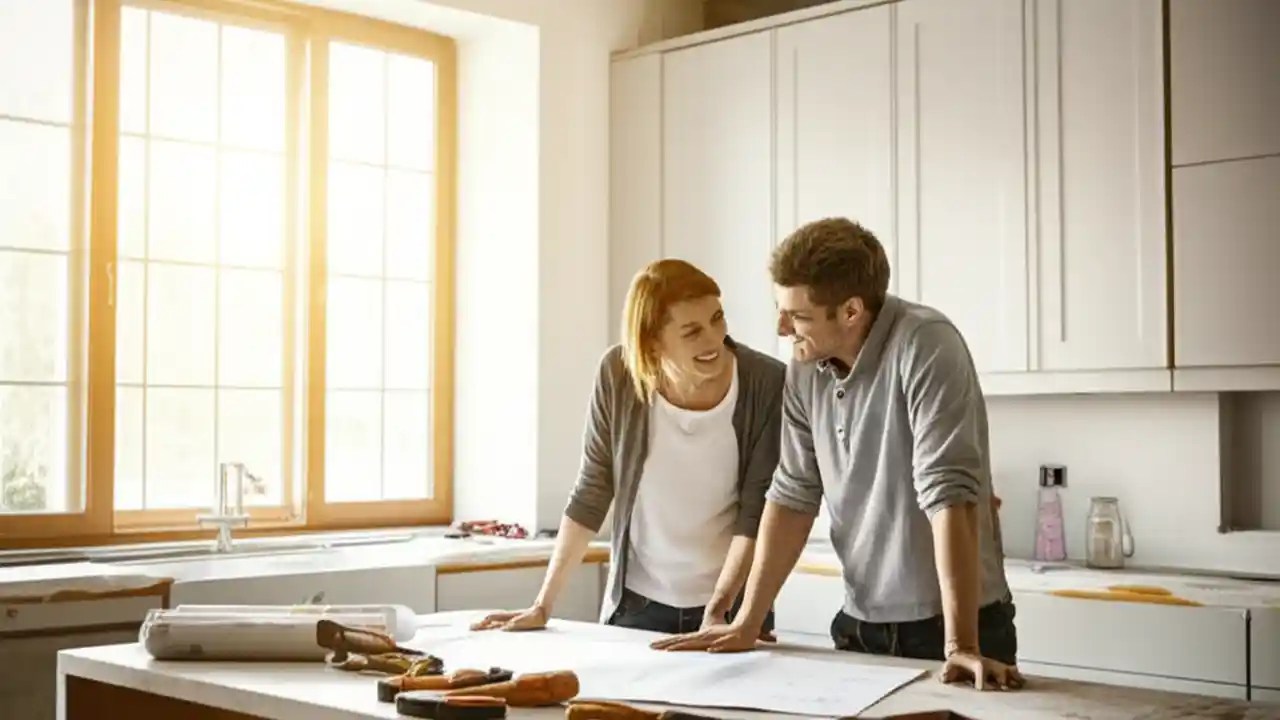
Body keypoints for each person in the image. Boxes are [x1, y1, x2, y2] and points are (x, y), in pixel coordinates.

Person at [651, 218, 1025, 692]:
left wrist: (961, 646)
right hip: (860, 624)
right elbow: (791, 493)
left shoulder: (926, 344)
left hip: (953, 627)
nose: (781, 328)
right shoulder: (806, 369)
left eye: (797, 315)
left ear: (850, 311)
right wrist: (746, 622)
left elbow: (949, 493)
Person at [471, 258, 786, 635]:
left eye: (717, 319)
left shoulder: (766, 382)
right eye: (692, 331)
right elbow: (592, 491)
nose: (714, 339)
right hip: (639, 607)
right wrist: (542, 606)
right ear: (652, 341)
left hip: (733, 608)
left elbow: (758, 513)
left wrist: (719, 612)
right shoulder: (618, 375)